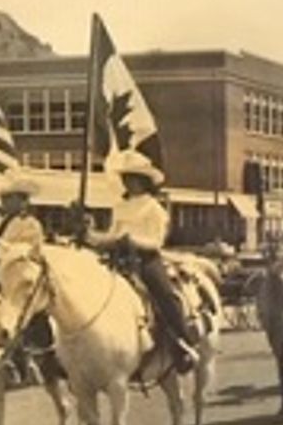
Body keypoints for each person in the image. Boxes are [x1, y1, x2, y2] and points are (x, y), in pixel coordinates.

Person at [82, 149, 198, 374]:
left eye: (133, 178)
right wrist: (89, 235)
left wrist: (132, 240)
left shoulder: (154, 208)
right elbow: (110, 237)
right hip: (118, 260)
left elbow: (156, 241)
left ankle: (183, 343)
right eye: (126, 178)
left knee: (165, 294)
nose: (129, 182)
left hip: (145, 260)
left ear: (144, 181)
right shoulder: (120, 206)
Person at [0, 168, 47, 387]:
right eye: (3, 198)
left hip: (19, 275)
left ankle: (24, 363)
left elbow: (23, 252)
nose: (5, 202)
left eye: (9, 198)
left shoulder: (30, 224)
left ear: (23, 201)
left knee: (17, 314)